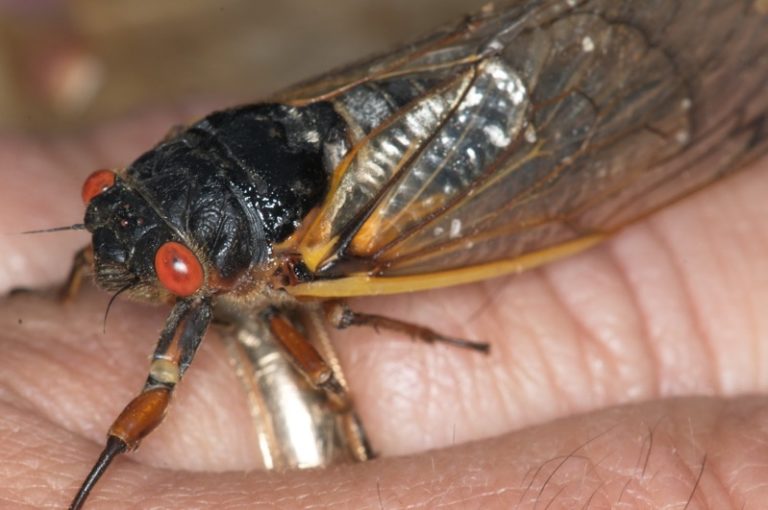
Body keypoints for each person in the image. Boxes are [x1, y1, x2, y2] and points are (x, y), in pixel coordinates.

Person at [1, 107, 766, 508]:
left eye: (170, 269)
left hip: (431, 177)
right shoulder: (147, 229)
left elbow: (324, 362)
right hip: (315, 124)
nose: (108, 251)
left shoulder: (277, 259)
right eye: (104, 197)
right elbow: (110, 248)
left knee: (346, 313)